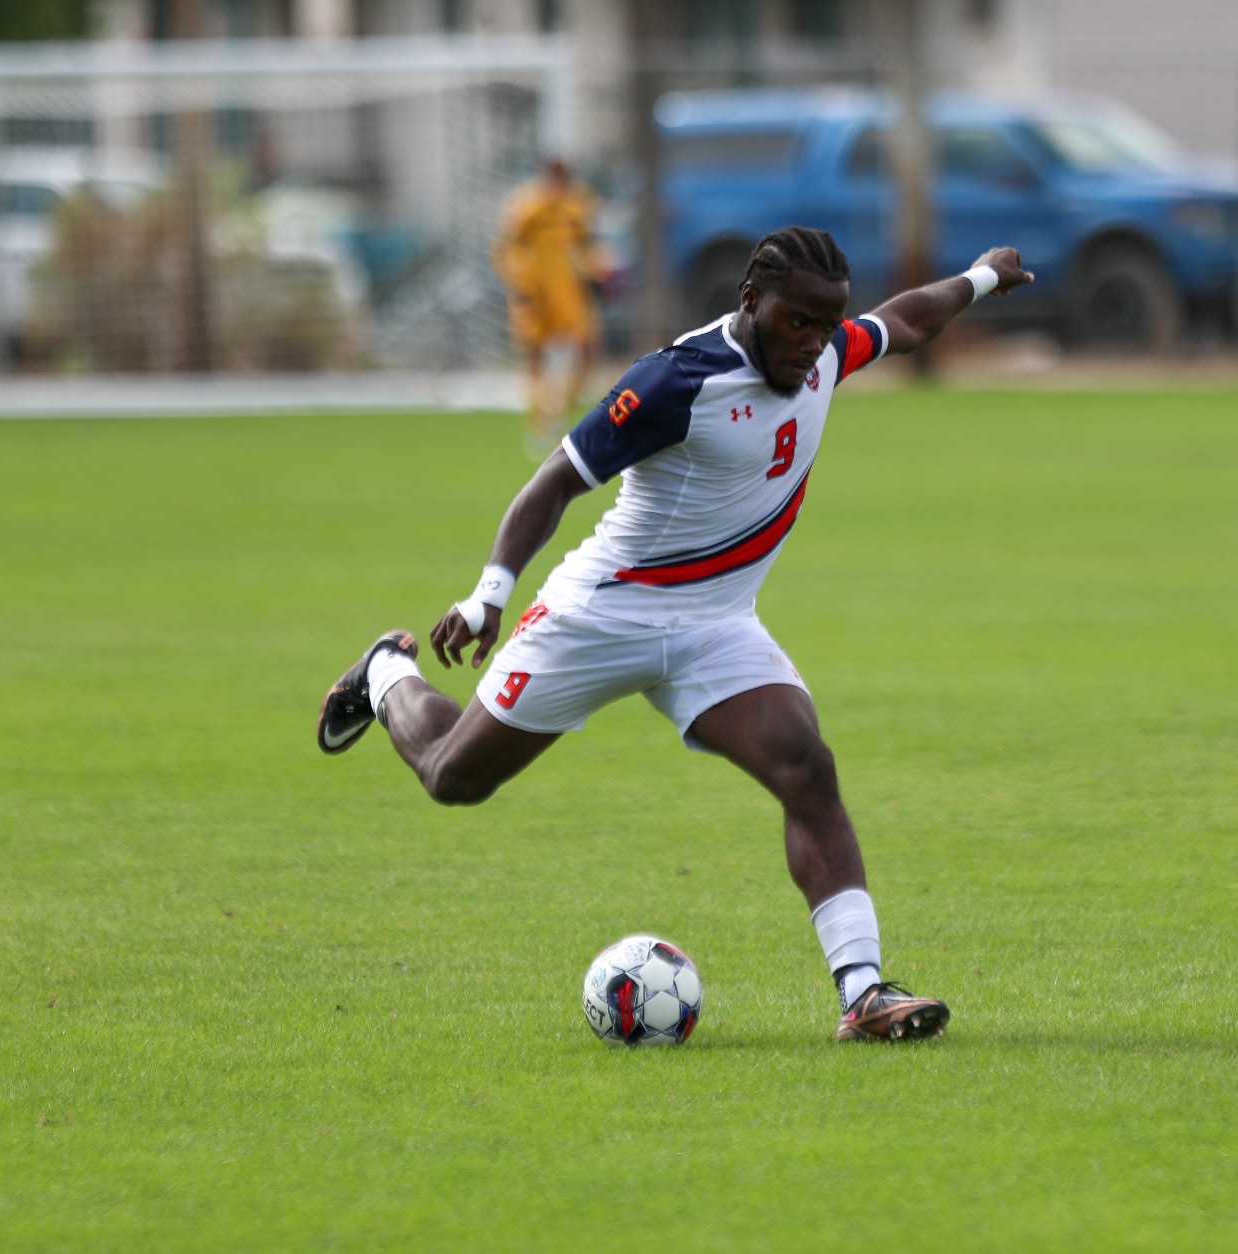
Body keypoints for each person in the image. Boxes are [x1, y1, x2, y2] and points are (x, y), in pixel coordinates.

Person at [318, 226, 1033, 1041]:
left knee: (807, 765)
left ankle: (863, 993)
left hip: (714, 624)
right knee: (454, 777)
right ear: (751, 302)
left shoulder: (826, 350)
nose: (813, 342)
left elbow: (904, 320)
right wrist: (489, 594)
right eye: (798, 321)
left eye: (826, 324)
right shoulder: (675, 381)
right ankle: (383, 673)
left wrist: (978, 278)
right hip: (602, 613)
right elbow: (554, 483)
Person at [492, 159, 600, 448]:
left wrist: (598, 270)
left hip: (569, 294)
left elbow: (585, 247)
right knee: (536, 356)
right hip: (535, 294)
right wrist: (519, 282)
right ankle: (539, 423)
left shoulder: (577, 206)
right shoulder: (527, 207)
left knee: (586, 350)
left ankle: (560, 411)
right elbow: (507, 247)